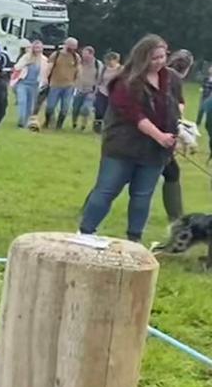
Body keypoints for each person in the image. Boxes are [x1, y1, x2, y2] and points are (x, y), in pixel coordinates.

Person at [79, 35, 178, 241]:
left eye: (163, 56)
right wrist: (160, 136)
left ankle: (134, 239)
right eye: (154, 58)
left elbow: (178, 104)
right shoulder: (125, 81)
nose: (160, 61)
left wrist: (174, 133)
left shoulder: (170, 78)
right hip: (123, 147)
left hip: (154, 153)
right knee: (106, 191)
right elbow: (135, 116)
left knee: (142, 198)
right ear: (142, 58)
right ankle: (86, 232)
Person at [159, 49, 195, 230]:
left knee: (171, 172)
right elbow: (175, 111)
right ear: (188, 68)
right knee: (170, 173)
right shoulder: (174, 81)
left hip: (158, 134)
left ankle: (177, 218)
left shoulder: (162, 75)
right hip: (158, 137)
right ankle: (177, 219)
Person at [44, 36, 82, 128]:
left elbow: (79, 70)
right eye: (71, 47)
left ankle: (59, 125)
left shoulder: (76, 57)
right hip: (55, 85)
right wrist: (45, 79)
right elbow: (49, 68)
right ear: (66, 45)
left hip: (69, 86)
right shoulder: (56, 55)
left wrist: (77, 82)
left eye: (75, 47)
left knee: (65, 108)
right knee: (50, 106)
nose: (73, 49)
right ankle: (47, 122)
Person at [10, 39, 49, 128]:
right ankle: (21, 120)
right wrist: (27, 62)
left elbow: (44, 74)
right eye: (35, 47)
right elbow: (17, 67)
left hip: (34, 85)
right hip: (23, 83)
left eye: (39, 48)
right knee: (22, 101)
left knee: (30, 105)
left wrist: (44, 83)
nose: (37, 49)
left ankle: (26, 121)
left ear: (42, 48)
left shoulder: (44, 60)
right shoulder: (26, 57)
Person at [95, 50, 123, 131]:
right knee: (99, 109)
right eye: (107, 60)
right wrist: (97, 89)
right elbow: (99, 80)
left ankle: (108, 126)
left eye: (111, 60)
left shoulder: (121, 69)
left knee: (110, 111)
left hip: (114, 93)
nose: (109, 62)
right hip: (102, 91)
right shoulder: (104, 69)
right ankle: (98, 125)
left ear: (116, 60)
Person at [72, 45, 99, 127]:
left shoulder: (98, 65)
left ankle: (83, 124)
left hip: (90, 90)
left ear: (91, 54)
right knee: (75, 108)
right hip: (79, 89)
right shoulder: (79, 63)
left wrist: (95, 91)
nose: (84, 56)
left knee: (86, 108)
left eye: (86, 54)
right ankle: (74, 122)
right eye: (83, 54)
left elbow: (100, 79)